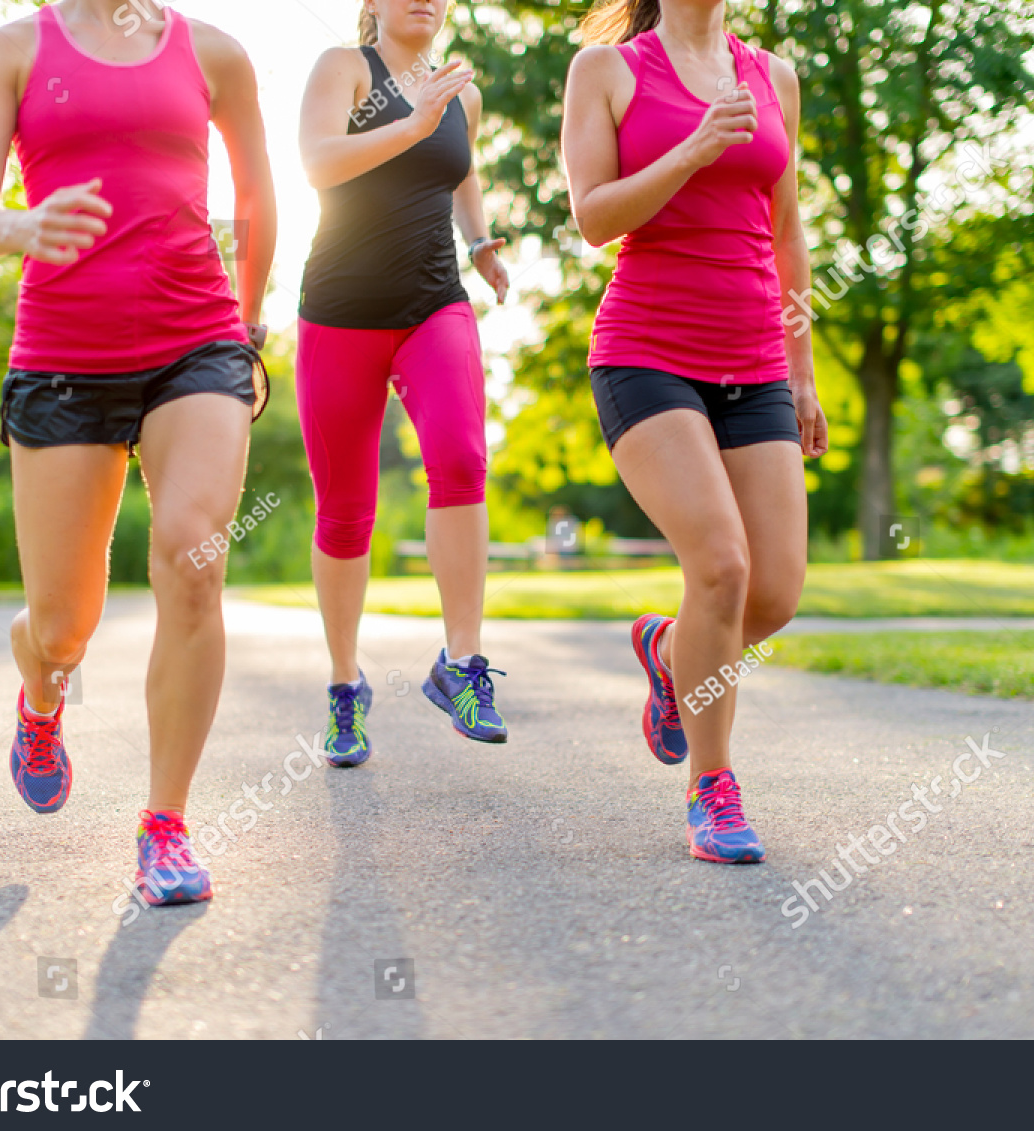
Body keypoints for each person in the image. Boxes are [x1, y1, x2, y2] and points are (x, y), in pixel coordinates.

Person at [0, 0, 276, 904]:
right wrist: (19, 227)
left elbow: (254, 194)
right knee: (63, 628)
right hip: (62, 360)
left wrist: (246, 323)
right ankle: (42, 695)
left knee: (192, 559)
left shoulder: (214, 52)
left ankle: (165, 826)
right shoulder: (12, 50)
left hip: (196, 344)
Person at [562, 0, 828, 862]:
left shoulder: (774, 75)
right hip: (648, 354)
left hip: (754, 363)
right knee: (720, 566)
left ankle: (670, 649)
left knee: (774, 594)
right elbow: (596, 217)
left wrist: (804, 371)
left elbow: (788, 233)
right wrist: (693, 148)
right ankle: (711, 790)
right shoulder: (607, 72)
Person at [296, 0, 510, 766]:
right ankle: (345, 687)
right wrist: (411, 123)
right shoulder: (344, 69)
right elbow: (317, 163)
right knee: (347, 510)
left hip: (433, 302)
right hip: (340, 312)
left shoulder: (463, 90)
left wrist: (481, 242)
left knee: (460, 458)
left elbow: (461, 172)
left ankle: (461, 663)